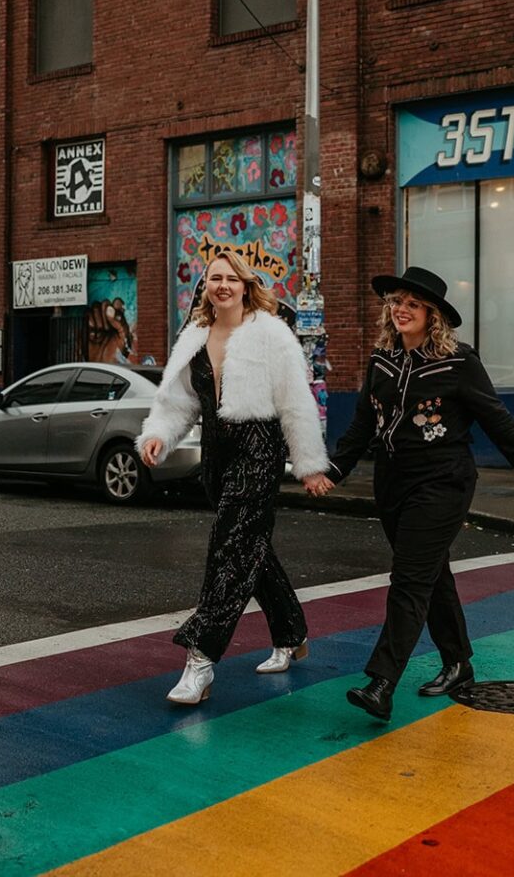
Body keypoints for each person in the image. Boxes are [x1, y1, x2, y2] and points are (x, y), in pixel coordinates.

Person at [307, 266, 514, 721]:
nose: (401, 309)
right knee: (430, 575)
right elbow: (365, 423)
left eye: (413, 304)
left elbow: (496, 419)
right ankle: (459, 662)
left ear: (432, 315)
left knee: (408, 579)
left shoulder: (459, 362)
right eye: (397, 302)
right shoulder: (383, 358)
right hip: (392, 483)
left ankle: (381, 682)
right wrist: (336, 469)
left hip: (443, 482)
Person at [139, 250, 331, 705]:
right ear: (205, 287)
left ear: (247, 286)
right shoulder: (195, 336)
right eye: (213, 279)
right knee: (249, 550)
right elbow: (180, 401)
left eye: (231, 278)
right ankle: (291, 633)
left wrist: (310, 464)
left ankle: (200, 660)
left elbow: (295, 402)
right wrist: (158, 436)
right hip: (217, 458)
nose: (222, 285)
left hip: (259, 450)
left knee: (228, 550)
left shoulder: (270, 334)